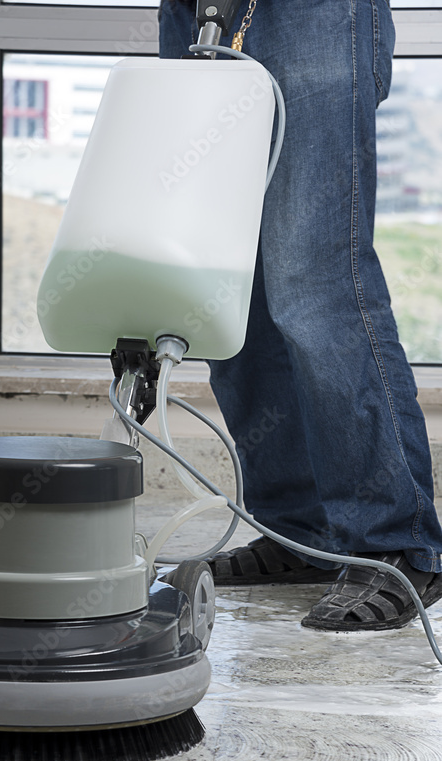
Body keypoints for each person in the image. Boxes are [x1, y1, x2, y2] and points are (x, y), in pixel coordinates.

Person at [158, 0, 442, 631]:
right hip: (194, 10)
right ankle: (297, 531)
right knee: (235, 288)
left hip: (310, 13)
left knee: (314, 278)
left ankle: (393, 540)